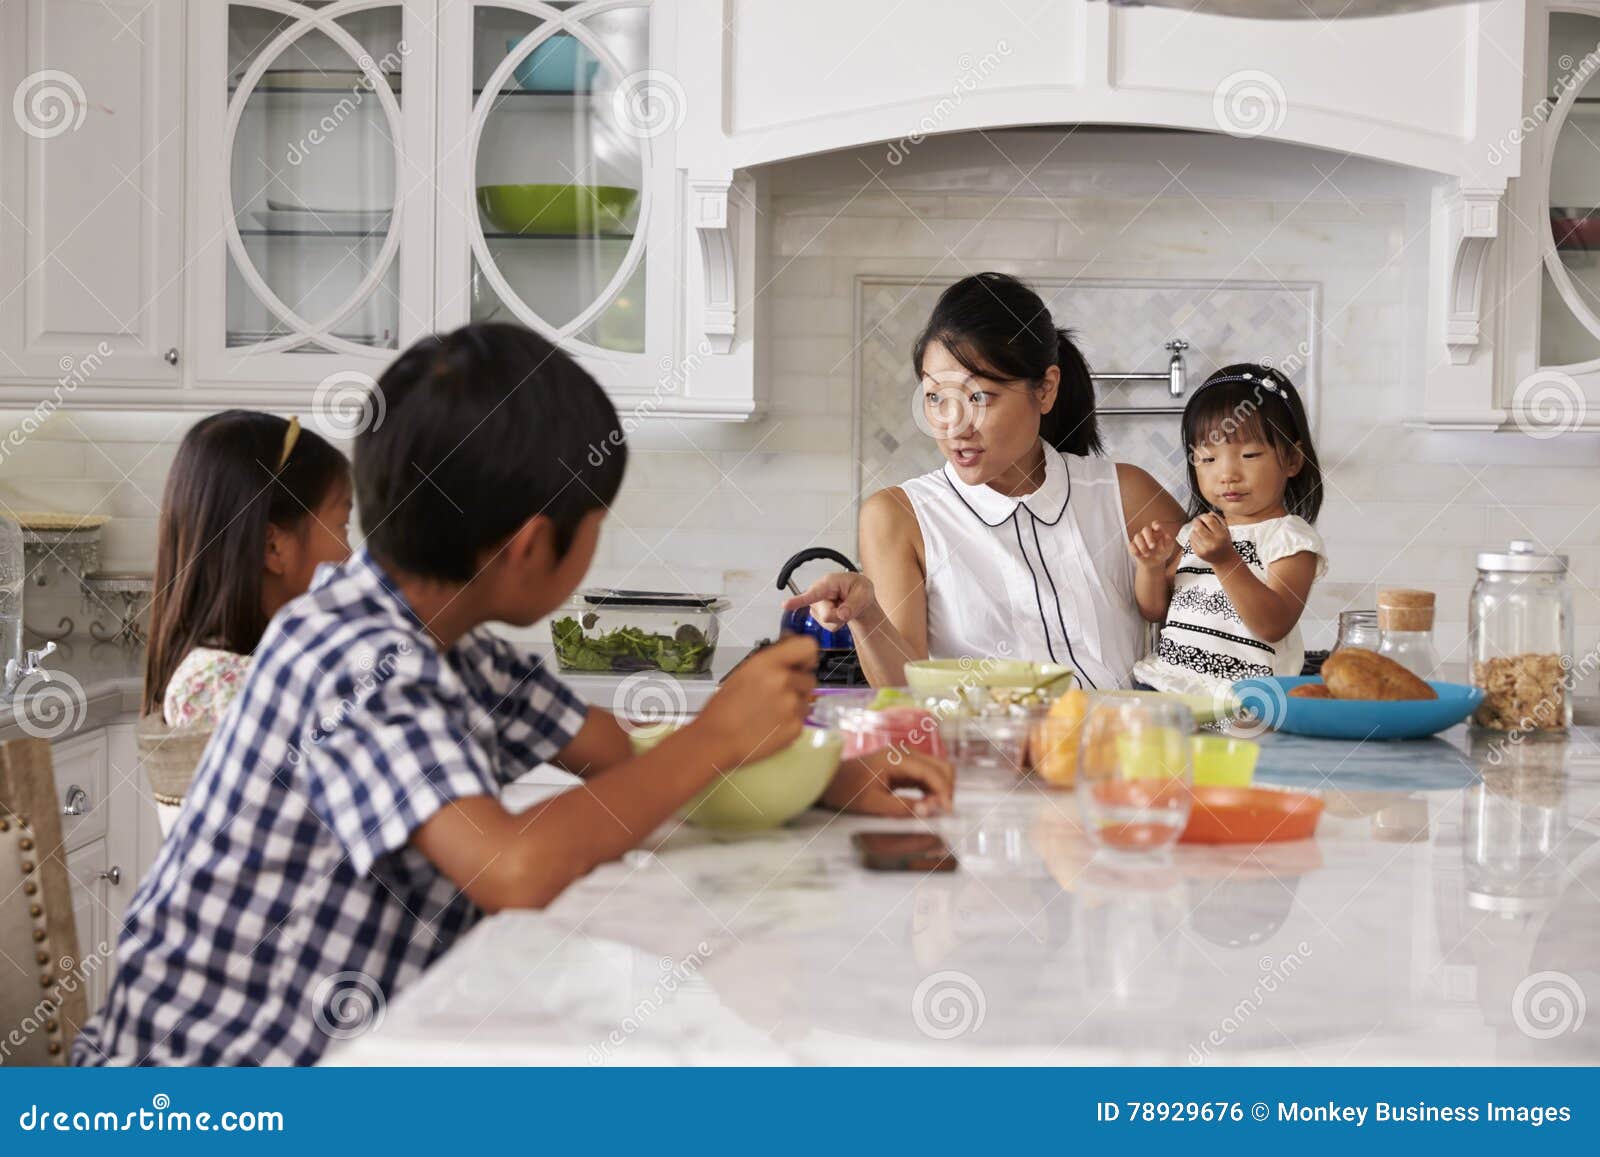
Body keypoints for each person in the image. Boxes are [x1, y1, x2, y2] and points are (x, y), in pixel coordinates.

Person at [75, 324, 950, 1067]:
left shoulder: (460, 649)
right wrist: (718, 734)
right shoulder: (348, 652)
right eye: (595, 527)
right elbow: (515, 868)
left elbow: (619, 753)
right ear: (531, 547)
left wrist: (830, 776)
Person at [785, 272, 1187, 689]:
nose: (954, 425)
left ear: (1045, 389)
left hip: (1120, 733)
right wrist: (866, 614)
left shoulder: (1126, 494)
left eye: (979, 397)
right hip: (978, 736)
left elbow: (1220, 612)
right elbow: (903, 689)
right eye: (936, 397)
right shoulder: (898, 517)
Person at [144, 411, 353, 731]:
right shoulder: (220, 685)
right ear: (273, 547)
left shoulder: (260, 667)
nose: (350, 554)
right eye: (342, 526)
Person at [1128, 363, 1326, 695]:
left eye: (1249, 454)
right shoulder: (1196, 533)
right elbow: (1154, 610)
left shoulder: (1289, 539)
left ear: (1292, 460)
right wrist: (1150, 567)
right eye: (1208, 459)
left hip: (1245, 698)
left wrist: (1226, 561)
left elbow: (1273, 624)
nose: (1227, 475)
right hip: (1169, 686)